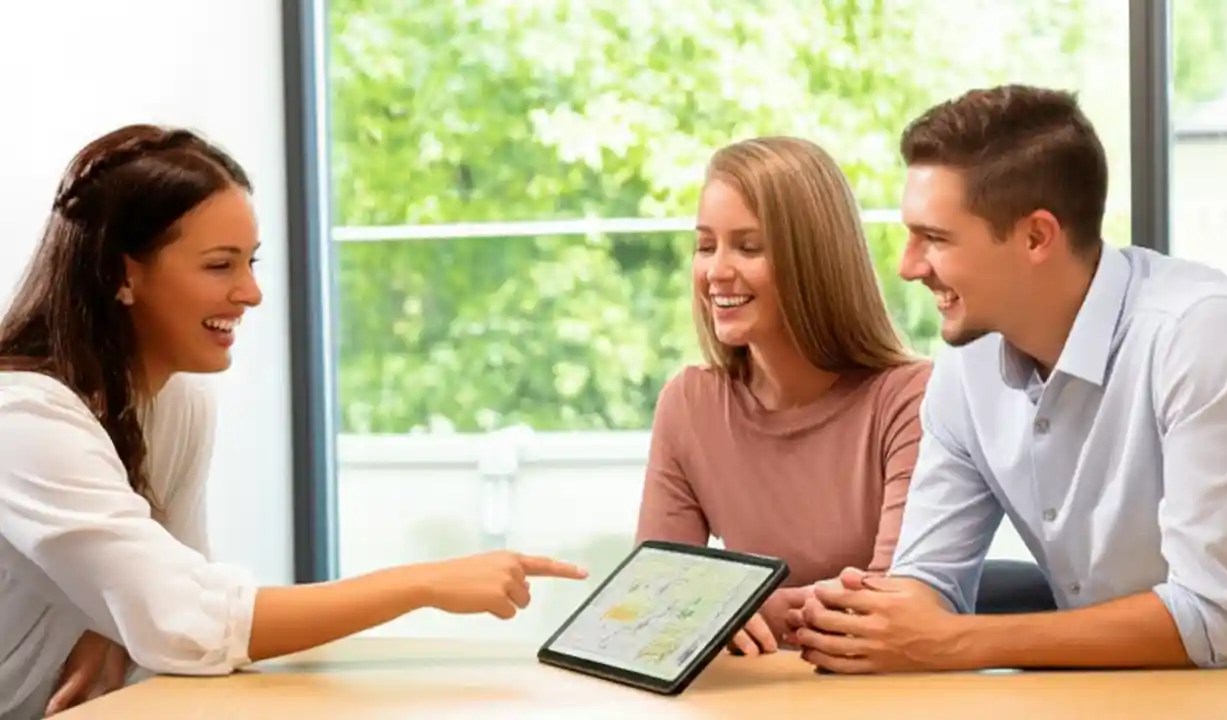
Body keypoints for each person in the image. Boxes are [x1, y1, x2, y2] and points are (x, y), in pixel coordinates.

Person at [0, 125, 587, 719]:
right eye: (219, 265)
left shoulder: (176, 401)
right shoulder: (24, 417)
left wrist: (116, 625)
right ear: (121, 274)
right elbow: (189, 620)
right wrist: (424, 584)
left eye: (250, 262)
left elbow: (175, 610)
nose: (251, 293)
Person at [785, 84, 1227, 673]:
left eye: (935, 238)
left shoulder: (1200, 336)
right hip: (1103, 693)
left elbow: (1212, 622)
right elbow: (928, 579)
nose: (908, 266)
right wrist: (863, 619)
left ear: (1036, 236)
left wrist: (955, 642)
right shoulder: (966, 370)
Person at [635, 136, 931, 656]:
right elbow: (651, 606)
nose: (716, 272)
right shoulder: (688, 404)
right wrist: (701, 612)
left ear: (814, 259)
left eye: (749, 247)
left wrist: (732, 608)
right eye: (706, 246)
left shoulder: (910, 398)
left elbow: (892, 609)